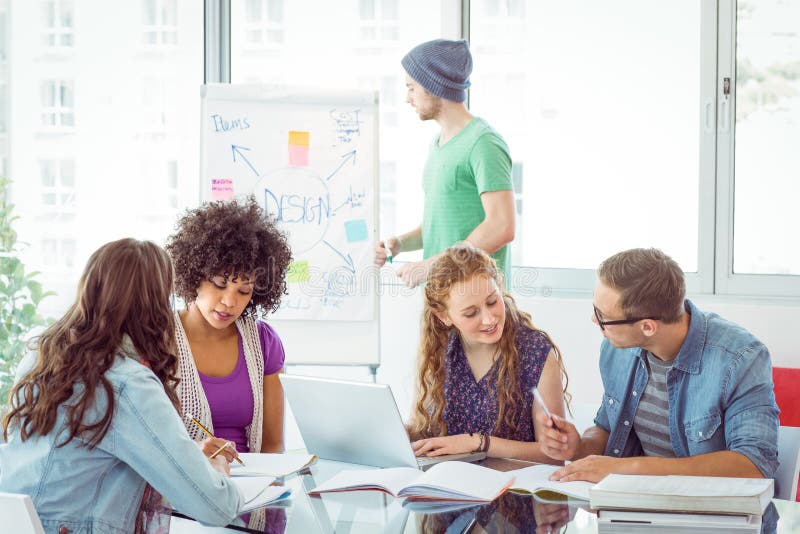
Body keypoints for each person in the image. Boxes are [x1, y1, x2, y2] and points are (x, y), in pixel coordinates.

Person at [0, 238, 241, 532]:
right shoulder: (127, 385)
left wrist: (187, 454)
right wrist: (216, 469)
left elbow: (82, 458)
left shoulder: (40, 359)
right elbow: (216, 506)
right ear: (154, 306)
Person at [538, 248, 780, 483]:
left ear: (647, 327)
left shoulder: (741, 358)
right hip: (636, 508)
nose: (594, 320)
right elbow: (608, 428)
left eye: (602, 317)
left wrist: (627, 469)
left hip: (709, 516)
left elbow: (754, 465)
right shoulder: (616, 349)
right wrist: (579, 446)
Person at [374, 39, 515, 288]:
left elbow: (501, 226)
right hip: (444, 303)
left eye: (411, 88)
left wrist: (430, 265)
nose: (407, 98)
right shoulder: (438, 144)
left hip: (478, 309)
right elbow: (440, 227)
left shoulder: (483, 142)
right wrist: (401, 243)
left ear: (432, 86)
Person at [408, 244, 570, 462]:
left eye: (493, 302)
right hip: (449, 485)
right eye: (471, 313)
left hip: (512, 489)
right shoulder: (437, 349)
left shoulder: (535, 352)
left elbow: (554, 455)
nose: (489, 319)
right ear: (444, 317)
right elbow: (421, 428)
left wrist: (480, 443)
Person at [166, 197, 292, 457]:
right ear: (195, 276)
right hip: (185, 484)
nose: (229, 302)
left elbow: (272, 447)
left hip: (254, 483)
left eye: (244, 291)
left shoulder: (264, 342)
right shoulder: (160, 337)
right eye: (220, 284)